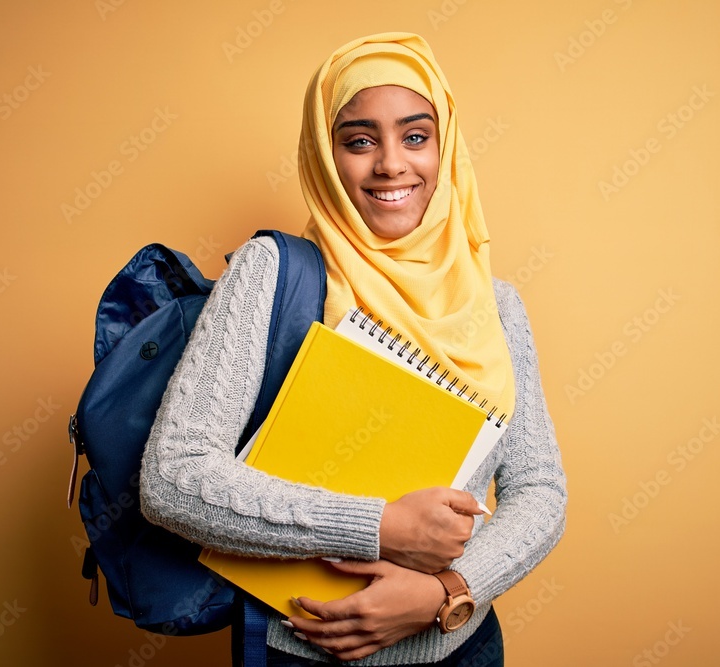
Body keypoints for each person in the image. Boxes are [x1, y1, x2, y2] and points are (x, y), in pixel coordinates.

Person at [140, 32, 566, 666]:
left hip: (462, 644)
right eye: (360, 140)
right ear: (323, 154)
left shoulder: (495, 302)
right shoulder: (273, 274)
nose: (392, 164)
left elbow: (540, 490)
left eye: (416, 137)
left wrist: (445, 592)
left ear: (445, 149)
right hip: (300, 650)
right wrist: (381, 527)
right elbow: (172, 480)